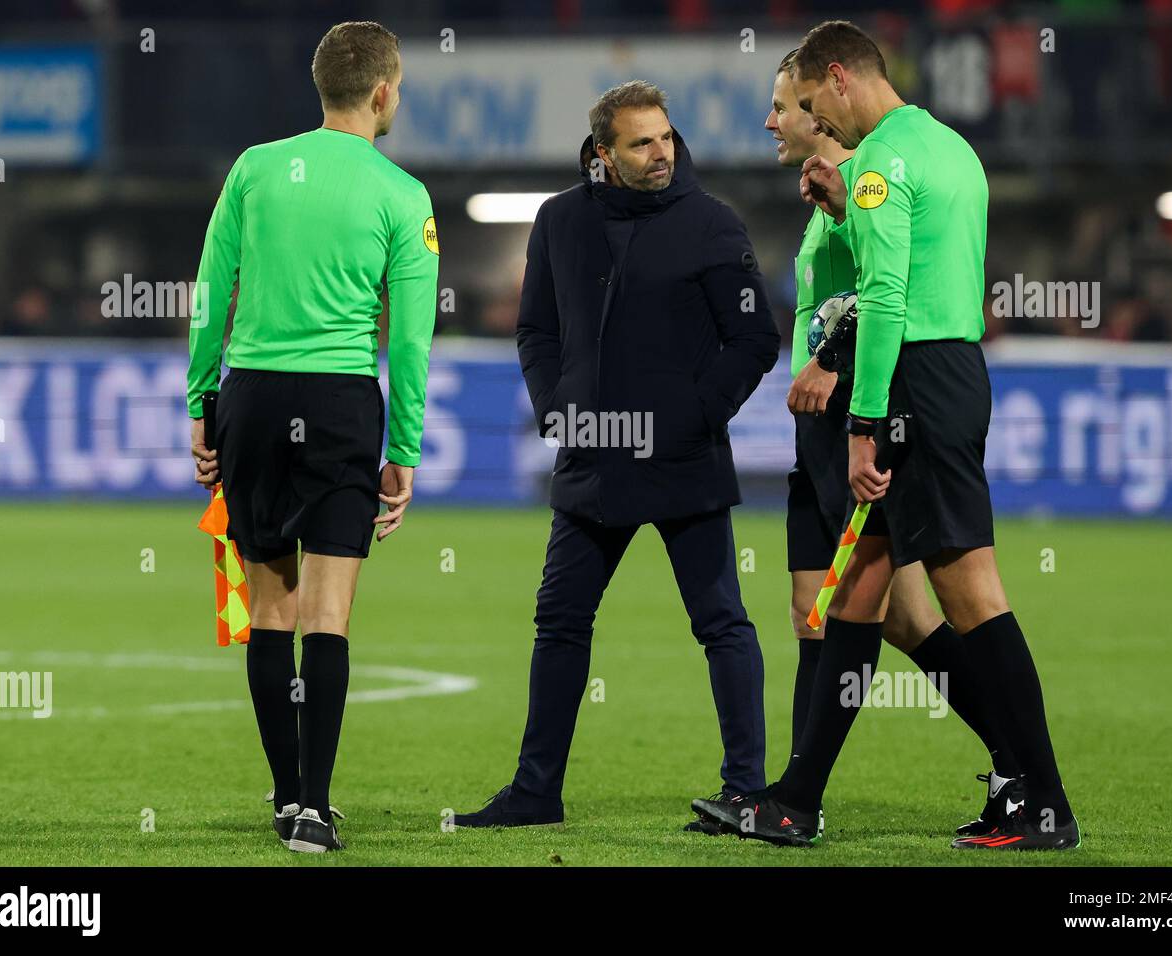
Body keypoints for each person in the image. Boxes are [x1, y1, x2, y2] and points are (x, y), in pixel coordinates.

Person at [695, 21, 1078, 851]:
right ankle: (797, 798)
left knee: (970, 593)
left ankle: (1041, 798)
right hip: (951, 370)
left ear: (838, 78)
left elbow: (888, 298)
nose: (811, 118)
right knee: (862, 586)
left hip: (915, 381)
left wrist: (866, 422)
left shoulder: (877, 165)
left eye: (808, 99)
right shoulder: (948, 149)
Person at [453, 81, 780, 830]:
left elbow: (755, 339)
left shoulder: (712, 223)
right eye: (641, 143)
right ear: (604, 154)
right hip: (594, 456)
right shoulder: (561, 220)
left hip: (683, 457)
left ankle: (745, 793)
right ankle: (536, 794)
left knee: (721, 622)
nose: (660, 152)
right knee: (560, 621)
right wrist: (555, 407)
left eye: (665, 138)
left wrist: (697, 415)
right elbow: (535, 329)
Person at [187, 21, 439, 853]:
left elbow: (210, 287)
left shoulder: (256, 169)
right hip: (339, 403)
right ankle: (313, 811)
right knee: (328, 616)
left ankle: (286, 792)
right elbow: (407, 342)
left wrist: (202, 398)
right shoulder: (403, 196)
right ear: (384, 92)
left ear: (319, 85)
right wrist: (402, 448)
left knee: (271, 610)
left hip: (252, 395)